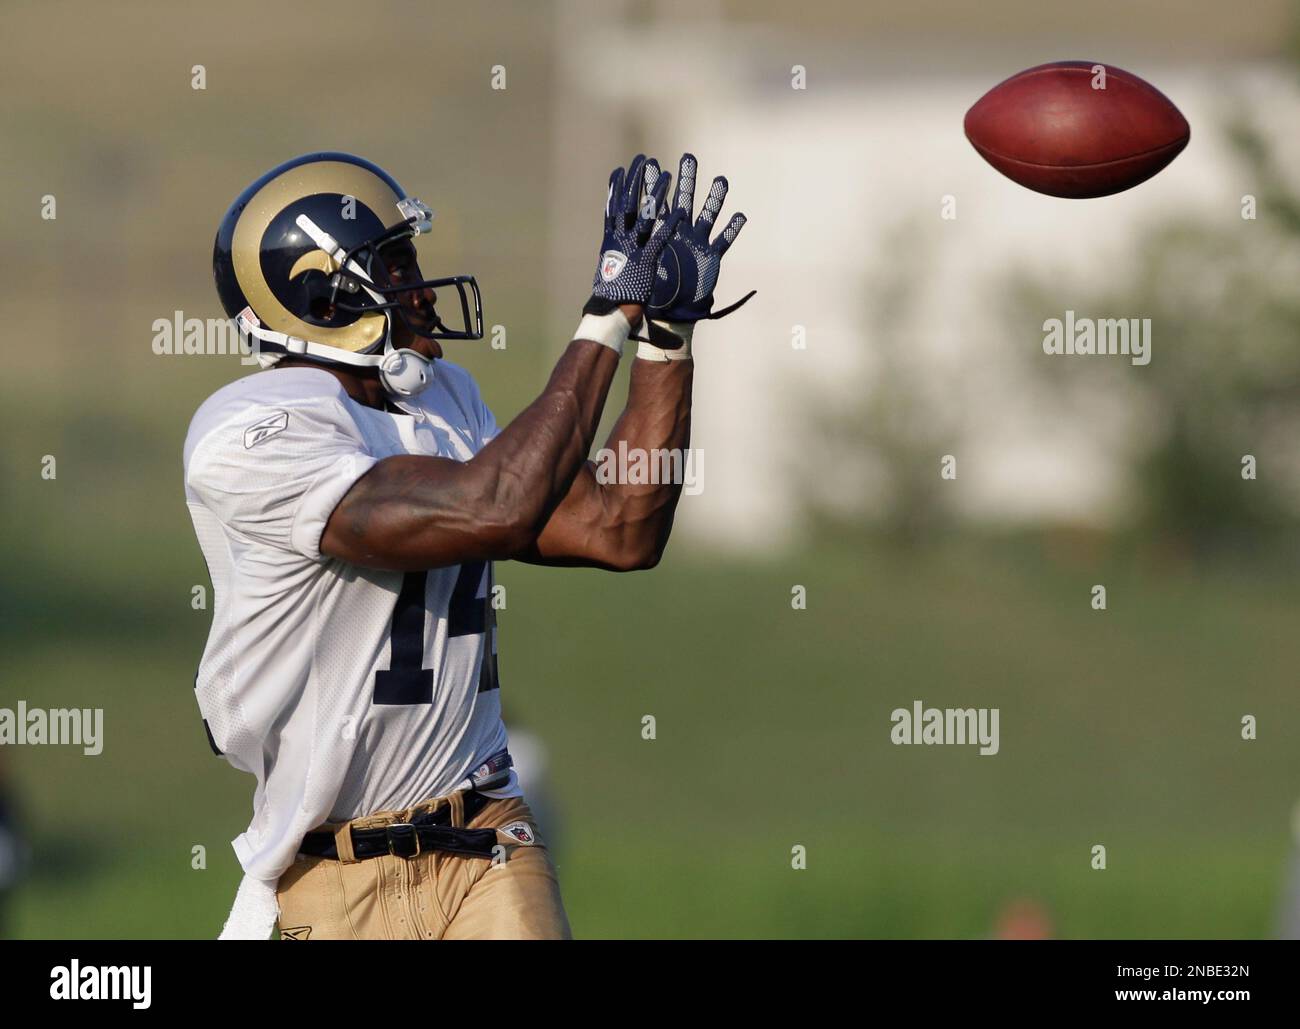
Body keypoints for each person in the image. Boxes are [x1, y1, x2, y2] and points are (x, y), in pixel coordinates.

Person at [184, 150, 749, 938]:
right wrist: (602, 318)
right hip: (331, 870)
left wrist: (663, 337)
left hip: (486, 837)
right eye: (395, 263)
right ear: (323, 291)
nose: (418, 284)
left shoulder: (441, 396)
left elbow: (620, 526)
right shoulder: (251, 432)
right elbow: (498, 506)